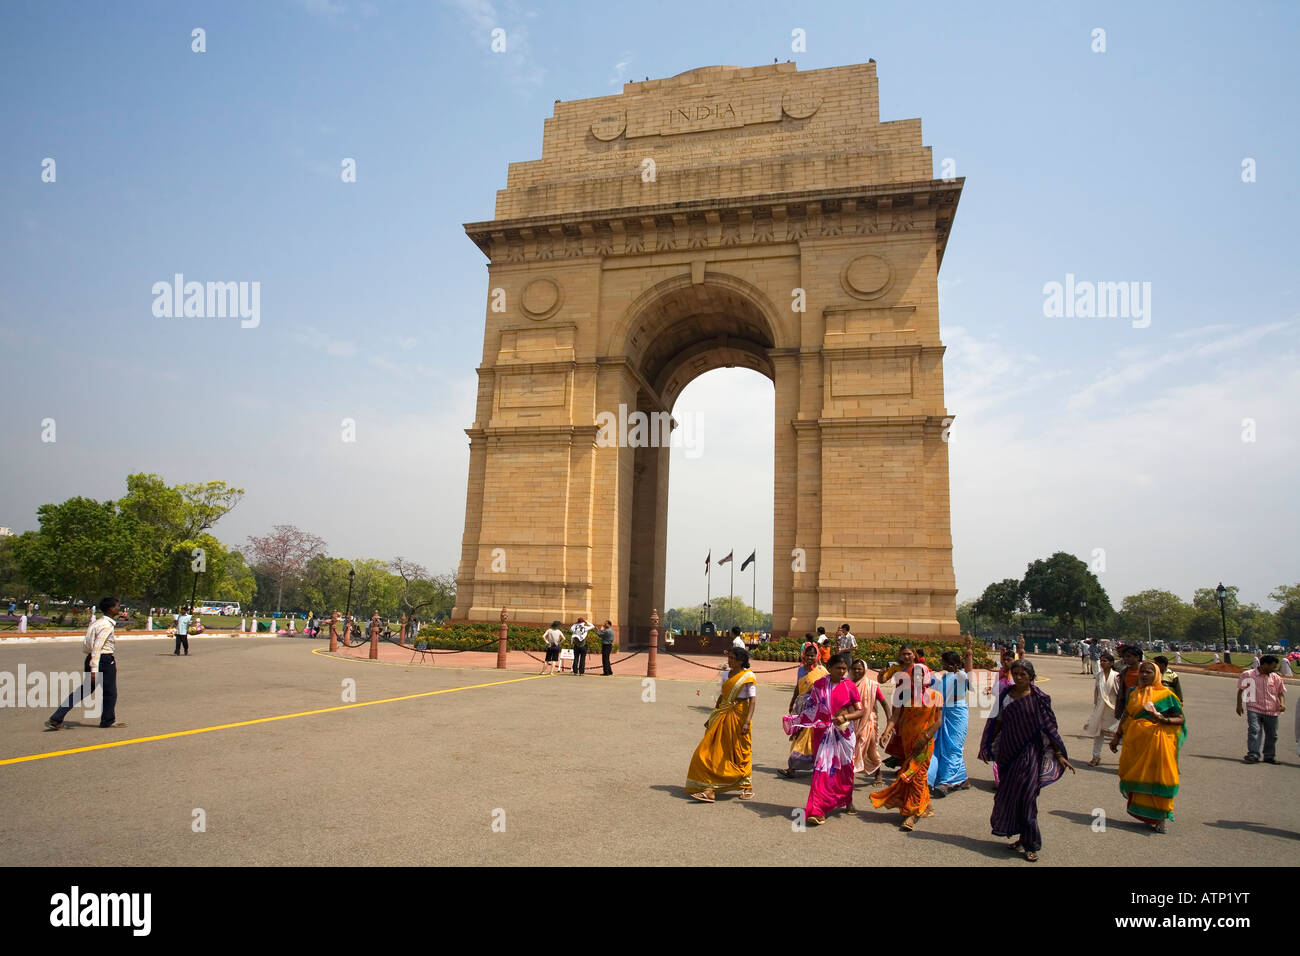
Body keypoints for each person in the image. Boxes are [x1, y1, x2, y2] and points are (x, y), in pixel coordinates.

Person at [979, 659, 1073, 862]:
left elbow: (1049, 727)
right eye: (1016, 674)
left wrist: (1059, 754)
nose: (1019, 678)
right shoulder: (1006, 695)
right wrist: (987, 745)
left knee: (1028, 797)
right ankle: (1021, 837)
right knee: (1010, 794)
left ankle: (1031, 844)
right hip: (1008, 751)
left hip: (1030, 752)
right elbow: (997, 721)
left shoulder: (1039, 698)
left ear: (1031, 676)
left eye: (1023, 674)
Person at [869, 645, 942, 831]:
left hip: (924, 743)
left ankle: (911, 814)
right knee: (916, 774)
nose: (917, 678)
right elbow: (895, 717)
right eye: (914, 676)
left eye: (920, 676)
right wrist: (887, 732)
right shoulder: (905, 695)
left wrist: (925, 738)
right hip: (908, 740)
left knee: (914, 776)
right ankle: (924, 804)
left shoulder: (936, 696)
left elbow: (938, 722)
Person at [787, 653, 863, 825]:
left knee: (845, 769)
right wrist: (797, 724)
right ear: (829, 668)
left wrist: (846, 718)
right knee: (821, 770)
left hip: (843, 734)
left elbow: (861, 711)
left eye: (845, 669)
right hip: (822, 733)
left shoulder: (850, 686)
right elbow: (812, 709)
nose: (842, 672)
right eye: (838, 668)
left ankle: (846, 799)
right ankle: (818, 809)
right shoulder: (819, 685)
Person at [1111, 660, 1186, 832]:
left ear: (1157, 674)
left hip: (1158, 742)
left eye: (1149, 672)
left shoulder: (1167, 695)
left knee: (1159, 777)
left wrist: (1162, 719)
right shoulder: (1133, 692)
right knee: (1139, 777)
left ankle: (1161, 817)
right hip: (1136, 742)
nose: (1144, 675)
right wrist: (1117, 736)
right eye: (1142, 672)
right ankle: (1146, 814)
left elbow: (1180, 718)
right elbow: (1127, 715)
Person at [685, 647, 756, 802]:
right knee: (710, 751)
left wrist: (747, 722)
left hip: (739, 717)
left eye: (732, 658)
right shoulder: (725, 674)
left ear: (741, 661)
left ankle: (746, 785)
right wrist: (712, 716)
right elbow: (722, 696)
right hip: (722, 714)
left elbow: (752, 701)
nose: (728, 661)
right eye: (728, 657)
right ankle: (709, 788)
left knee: (739, 752)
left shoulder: (748, 676)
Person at [45, 596, 127, 730]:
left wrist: (92, 663)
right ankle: (107, 720)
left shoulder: (96, 623)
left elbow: (86, 645)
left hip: (91, 658)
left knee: (84, 690)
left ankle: (57, 717)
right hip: (103, 660)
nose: (119, 608)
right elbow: (97, 647)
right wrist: (94, 668)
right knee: (110, 692)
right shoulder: (106, 626)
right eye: (117, 606)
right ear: (111, 609)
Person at [779, 644, 827, 778]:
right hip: (801, 707)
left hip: (815, 709)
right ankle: (799, 766)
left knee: (806, 737)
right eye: (808, 655)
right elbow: (797, 686)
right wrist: (792, 701)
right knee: (798, 734)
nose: (810, 658)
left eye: (812, 655)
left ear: (817, 656)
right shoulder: (801, 670)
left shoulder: (822, 671)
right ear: (803, 655)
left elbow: (827, 689)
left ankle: (792, 767)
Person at [928, 650, 971, 796]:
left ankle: (946, 782)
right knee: (943, 746)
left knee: (954, 747)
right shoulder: (945, 676)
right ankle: (962, 779)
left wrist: (967, 655)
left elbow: (966, 674)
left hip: (957, 714)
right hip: (944, 712)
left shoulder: (961, 675)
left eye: (945, 662)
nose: (943, 664)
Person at [1237, 654, 1286, 764]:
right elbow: (1241, 690)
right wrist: (1239, 705)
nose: (1274, 669)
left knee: (1272, 735)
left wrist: (1282, 704)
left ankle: (1269, 756)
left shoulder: (1276, 677)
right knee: (1254, 730)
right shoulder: (1248, 675)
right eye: (1272, 666)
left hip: (1271, 710)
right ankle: (1253, 754)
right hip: (1254, 708)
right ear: (1264, 665)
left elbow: (1280, 693)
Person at [852, 658, 889, 784]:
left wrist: (890, 721)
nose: (857, 671)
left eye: (860, 669)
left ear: (865, 670)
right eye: (855, 668)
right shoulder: (846, 684)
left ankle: (878, 773)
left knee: (870, 748)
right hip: (851, 721)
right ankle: (848, 775)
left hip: (868, 721)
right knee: (851, 748)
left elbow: (884, 703)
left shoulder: (872, 685)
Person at [1083, 650, 1121, 766]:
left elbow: (1119, 693)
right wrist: (1096, 706)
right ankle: (1096, 757)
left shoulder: (1116, 676)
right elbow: (1097, 692)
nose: (1102, 663)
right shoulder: (1098, 676)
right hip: (1100, 708)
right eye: (1101, 661)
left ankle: (1127, 760)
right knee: (1098, 733)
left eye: (1105, 661)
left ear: (1111, 663)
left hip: (1113, 708)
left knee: (1120, 734)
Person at [1112, 644, 1144, 722]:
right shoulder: (1124, 672)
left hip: (1142, 704)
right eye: (1125, 657)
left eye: (1129, 656)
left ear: (1137, 657)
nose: (1126, 659)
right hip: (1127, 704)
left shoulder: (1145, 672)